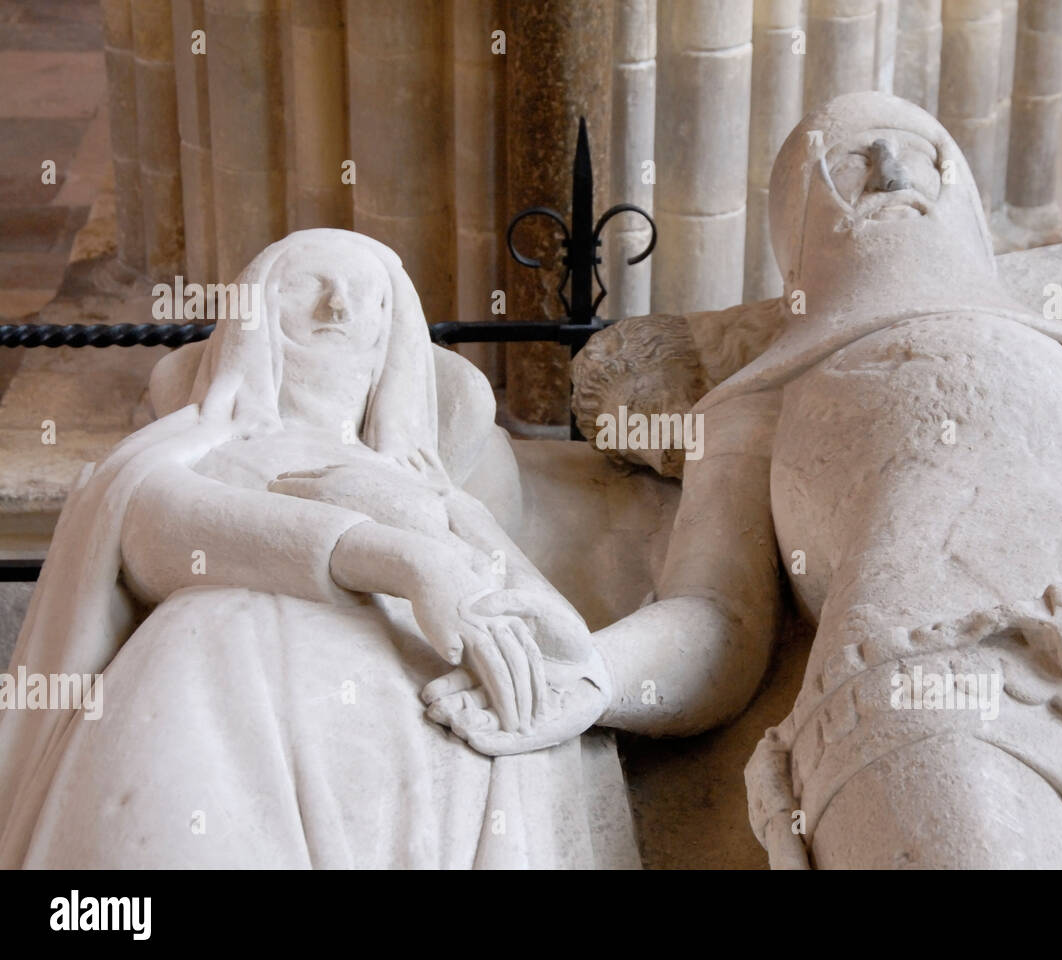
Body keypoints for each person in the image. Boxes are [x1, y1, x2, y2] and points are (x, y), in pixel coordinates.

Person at [434, 93, 1062, 869]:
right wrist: (591, 673)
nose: (890, 170)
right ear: (797, 232)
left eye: (920, 152)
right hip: (913, 672)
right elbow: (719, 622)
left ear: (957, 187)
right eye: (847, 162)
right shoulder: (758, 397)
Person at [0, 229, 620, 869]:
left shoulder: (434, 490)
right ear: (255, 311)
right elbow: (152, 527)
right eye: (309, 285)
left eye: (365, 295)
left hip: (407, 719)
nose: (338, 309)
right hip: (215, 688)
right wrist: (400, 559)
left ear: (390, 331)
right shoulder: (196, 448)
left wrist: (583, 677)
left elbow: (542, 619)